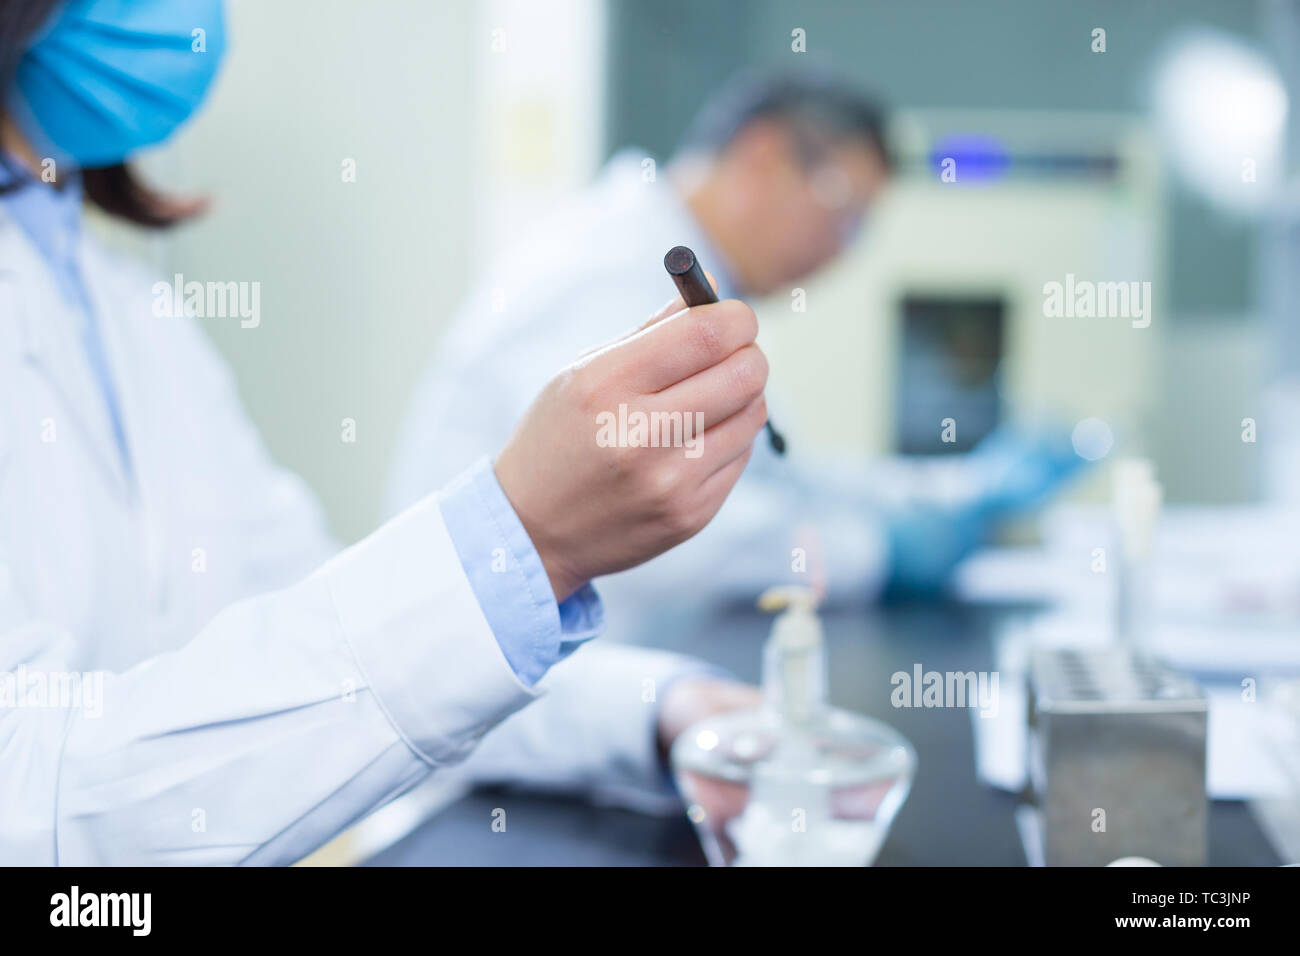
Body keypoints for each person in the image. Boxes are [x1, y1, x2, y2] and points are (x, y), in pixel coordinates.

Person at [0, 0, 766, 865]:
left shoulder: (130, 306)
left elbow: (328, 640)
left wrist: (656, 709)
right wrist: (528, 541)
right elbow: (26, 804)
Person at [389, 72, 1085, 609]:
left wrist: (954, 492)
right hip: (509, 735)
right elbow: (664, 524)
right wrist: (877, 554)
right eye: (845, 216)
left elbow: (777, 472)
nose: (843, 254)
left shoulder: (682, 275)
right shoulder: (612, 273)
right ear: (763, 158)